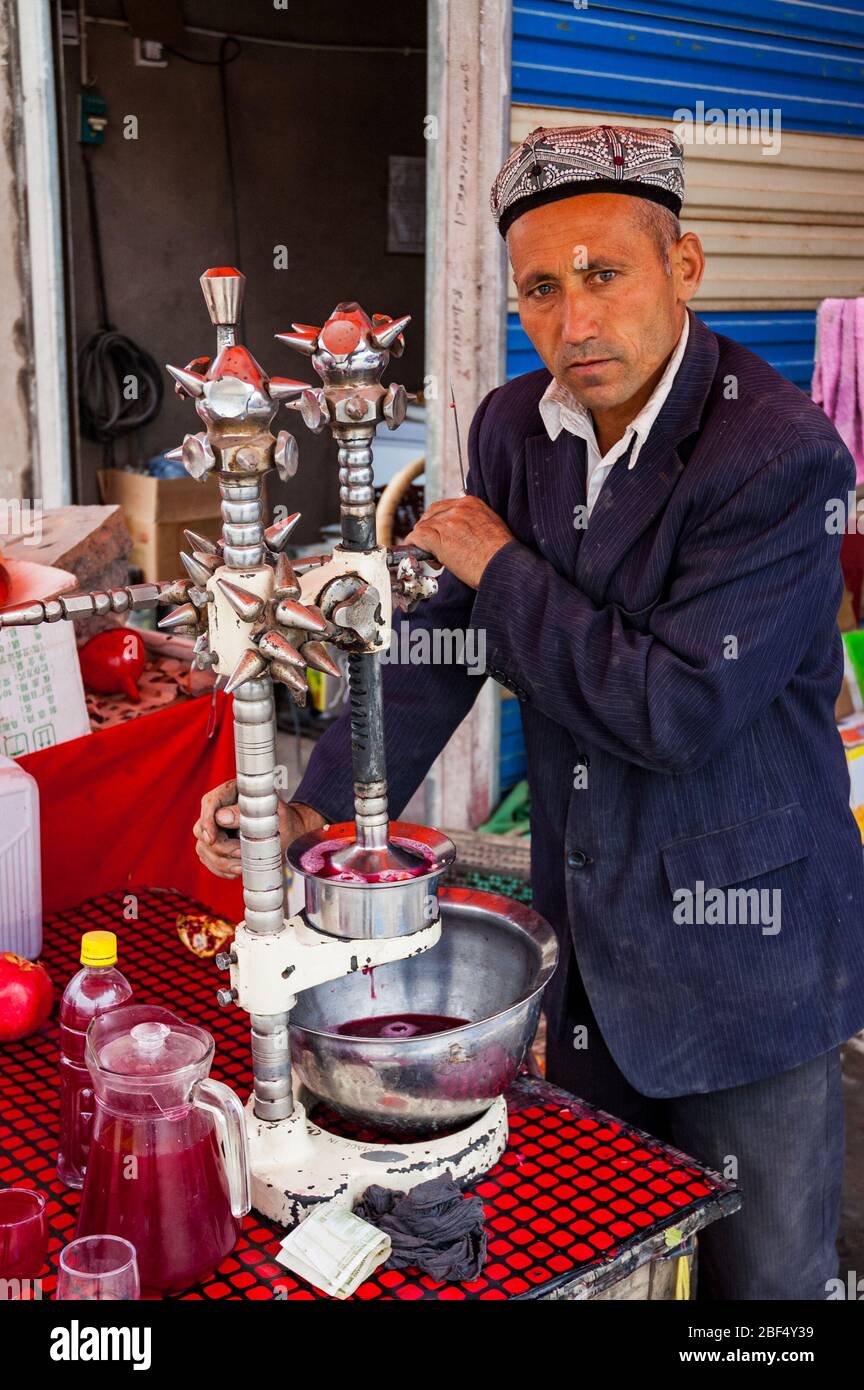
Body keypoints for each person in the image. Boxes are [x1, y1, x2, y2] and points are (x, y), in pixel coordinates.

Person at [195, 125, 864, 1300]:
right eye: (541, 290)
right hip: (587, 947)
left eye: (606, 275)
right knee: (606, 1258)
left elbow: (675, 708)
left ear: (686, 267)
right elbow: (438, 652)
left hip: (751, 961)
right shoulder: (515, 426)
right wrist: (312, 813)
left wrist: (503, 568)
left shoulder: (778, 457)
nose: (574, 322)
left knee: (769, 1290)